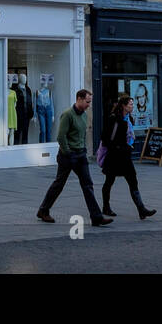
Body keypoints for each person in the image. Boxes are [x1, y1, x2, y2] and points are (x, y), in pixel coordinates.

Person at [36, 89, 112, 226]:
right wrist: (68, 152)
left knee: (88, 185)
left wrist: (83, 150)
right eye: (87, 102)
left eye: (90, 102)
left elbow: (82, 134)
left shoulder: (83, 115)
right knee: (59, 184)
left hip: (80, 155)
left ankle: (96, 217)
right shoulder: (67, 115)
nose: (89, 105)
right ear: (79, 99)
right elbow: (61, 136)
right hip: (68, 156)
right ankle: (43, 210)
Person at [99, 95, 156, 219]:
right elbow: (105, 137)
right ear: (124, 106)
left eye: (132, 104)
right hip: (114, 156)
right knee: (109, 181)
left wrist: (128, 147)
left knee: (133, 181)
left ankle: (141, 209)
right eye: (130, 104)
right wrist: (120, 147)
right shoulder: (114, 119)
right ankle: (106, 207)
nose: (132, 106)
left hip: (125, 156)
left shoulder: (128, 118)